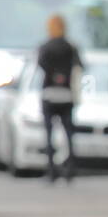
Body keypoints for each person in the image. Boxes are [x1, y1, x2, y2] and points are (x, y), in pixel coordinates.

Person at [36, 14, 84, 182]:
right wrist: (64, 76)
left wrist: (54, 75)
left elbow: (41, 65)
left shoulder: (45, 47)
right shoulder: (71, 47)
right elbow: (80, 66)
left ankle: (51, 170)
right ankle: (70, 169)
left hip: (49, 93)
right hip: (66, 95)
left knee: (49, 135)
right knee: (68, 134)